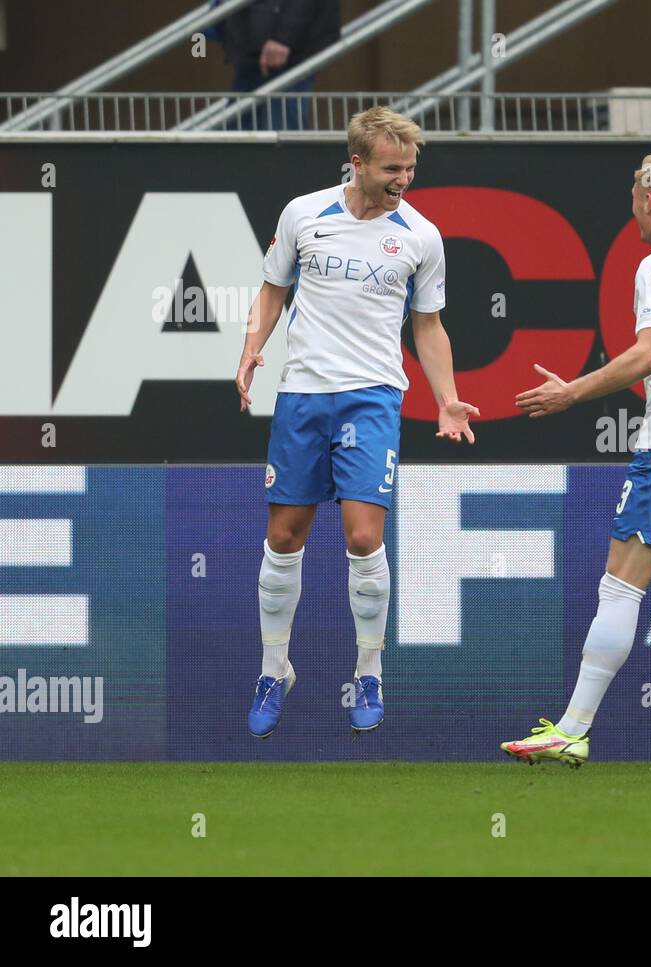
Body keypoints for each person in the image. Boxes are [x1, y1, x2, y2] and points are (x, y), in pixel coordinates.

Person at [499, 153, 651, 767]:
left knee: (620, 586)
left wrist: (570, 393)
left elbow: (648, 355)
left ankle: (573, 728)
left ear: (647, 200)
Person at [235, 106, 478, 738]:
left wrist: (446, 397)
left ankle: (369, 670)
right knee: (285, 537)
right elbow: (272, 289)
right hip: (302, 396)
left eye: (411, 167)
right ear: (359, 162)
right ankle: (273, 669)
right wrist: (252, 346)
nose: (404, 178)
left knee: (363, 537)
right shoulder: (303, 214)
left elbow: (429, 325)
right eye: (392, 167)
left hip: (373, 397)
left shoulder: (421, 236)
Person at [209, 0, 341, 130]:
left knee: (279, 136)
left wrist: (284, 38)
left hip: (284, 51)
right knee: (240, 135)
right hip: (255, 48)